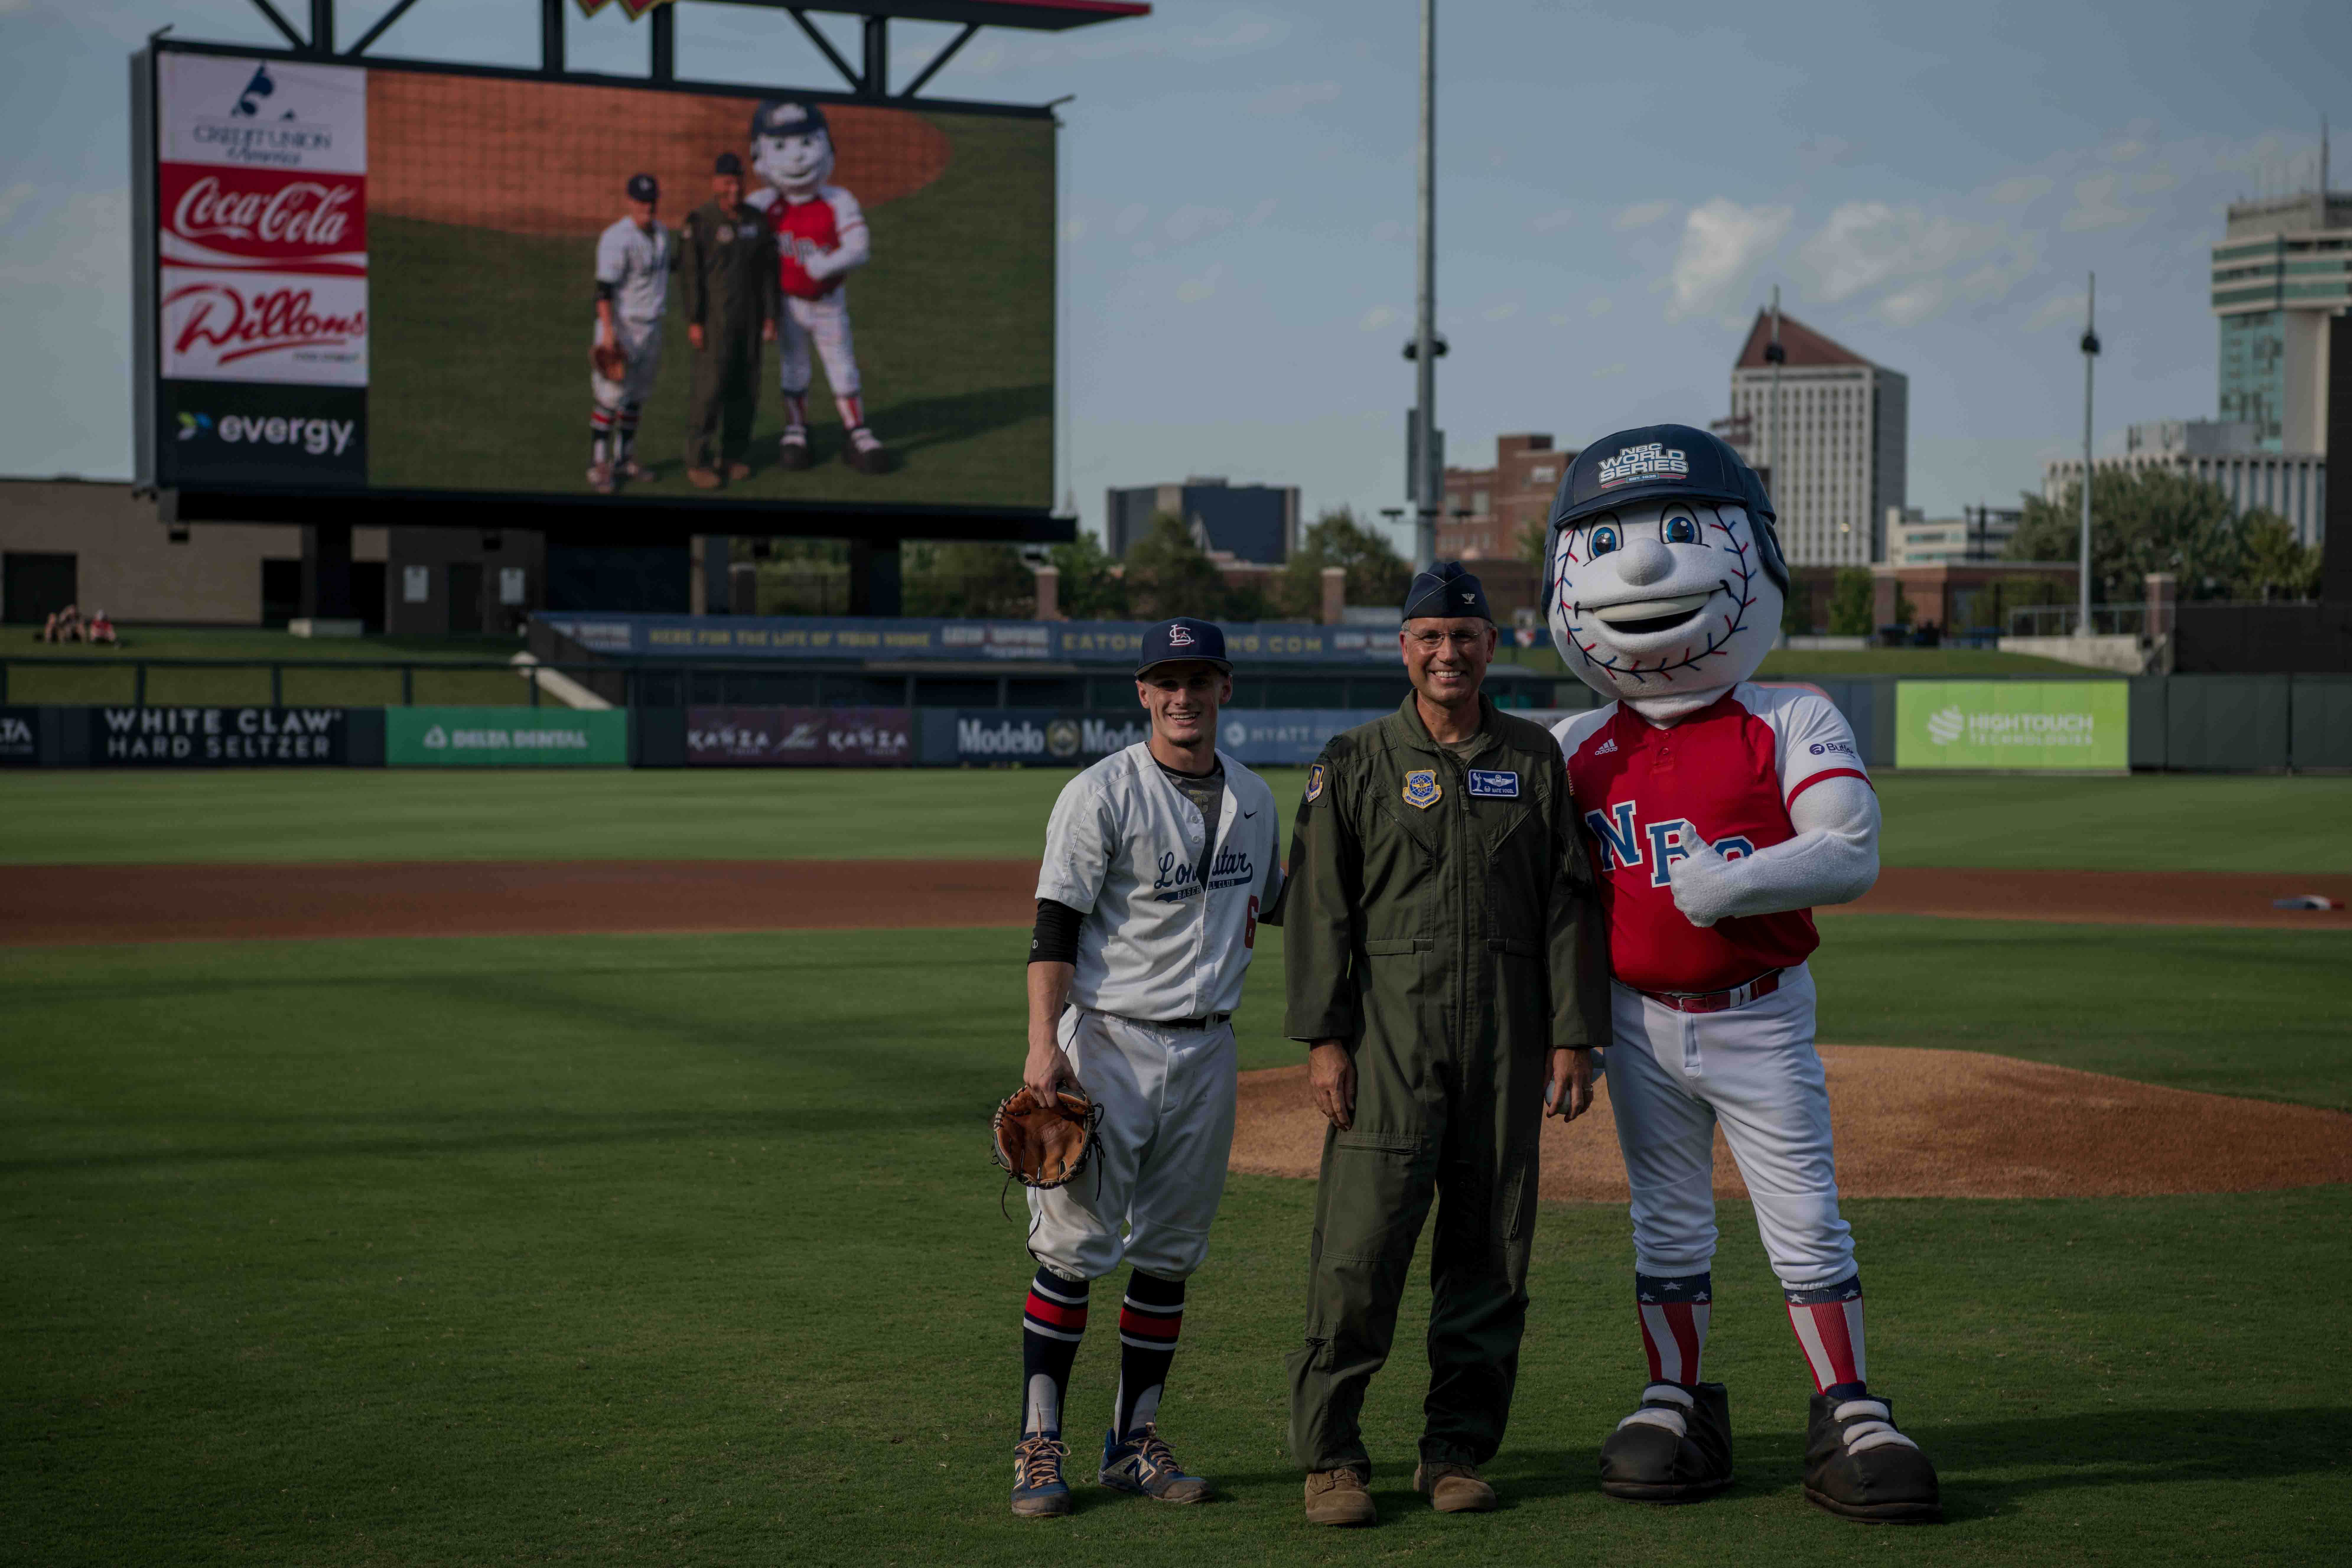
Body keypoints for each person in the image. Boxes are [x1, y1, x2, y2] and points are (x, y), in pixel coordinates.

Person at [1541, 424, 1940, 1524]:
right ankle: (1674, 1396)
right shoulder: (1575, 741)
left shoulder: (1786, 713)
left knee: (1803, 1217)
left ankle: (1847, 1402)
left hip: (1755, 1014)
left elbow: (1847, 848)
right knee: (1662, 1220)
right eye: (1608, 541)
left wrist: (1740, 881)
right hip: (1630, 1017)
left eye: (1680, 533)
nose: (1640, 570)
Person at [1276, 561, 1611, 1527]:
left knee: (1491, 1248)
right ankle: (1332, 1454)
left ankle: (1455, 1447)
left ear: (1490, 646)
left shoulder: (1534, 758)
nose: (1447, 651)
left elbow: (1566, 901)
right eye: (1429, 635)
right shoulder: (1354, 760)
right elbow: (1321, 909)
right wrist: (1324, 1038)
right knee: (1358, 1250)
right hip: (1388, 1039)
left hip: (1506, 1039)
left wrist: (1572, 1035)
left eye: (1463, 636)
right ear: (1404, 647)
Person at [1009, 617, 1286, 1519]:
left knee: (1168, 1252)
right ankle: (1037, 1441)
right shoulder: (1101, 792)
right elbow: (1054, 924)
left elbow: (1278, 901)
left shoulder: (1253, 795)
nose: (1183, 694)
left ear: (1223, 687)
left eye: (1197, 677)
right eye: (1167, 679)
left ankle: (1133, 1440)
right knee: (1072, 1248)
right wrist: (1042, 1045)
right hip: (1110, 1048)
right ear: (1143, 691)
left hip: (1209, 1049)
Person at [743, 100, 886, 474]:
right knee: (794, 368)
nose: (796, 158)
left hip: (828, 302)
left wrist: (828, 264)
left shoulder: (839, 200)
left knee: (843, 367)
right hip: (787, 305)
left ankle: (855, 429)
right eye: (781, 147)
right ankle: (796, 427)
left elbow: (860, 248)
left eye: (807, 143)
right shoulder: (763, 204)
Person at [678, 152, 776, 489]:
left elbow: (768, 274)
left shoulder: (757, 221)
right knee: (710, 390)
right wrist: (695, 320)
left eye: (739, 182)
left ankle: (733, 455)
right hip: (716, 321)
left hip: (750, 320)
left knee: (745, 388)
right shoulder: (700, 222)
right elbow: (690, 278)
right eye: (727, 182)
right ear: (715, 183)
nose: (734, 189)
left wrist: (771, 317)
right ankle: (698, 461)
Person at [587, 172, 677, 494]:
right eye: (640, 201)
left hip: (652, 329)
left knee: (637, 397)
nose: (647, 207)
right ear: (629, 202)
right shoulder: (616, 238)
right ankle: (599, 464)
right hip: (623, 330)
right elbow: (603, 291)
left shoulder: (663, 234)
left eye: (651, 201)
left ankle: (625, 458)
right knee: (610, 399)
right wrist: (608, 333)